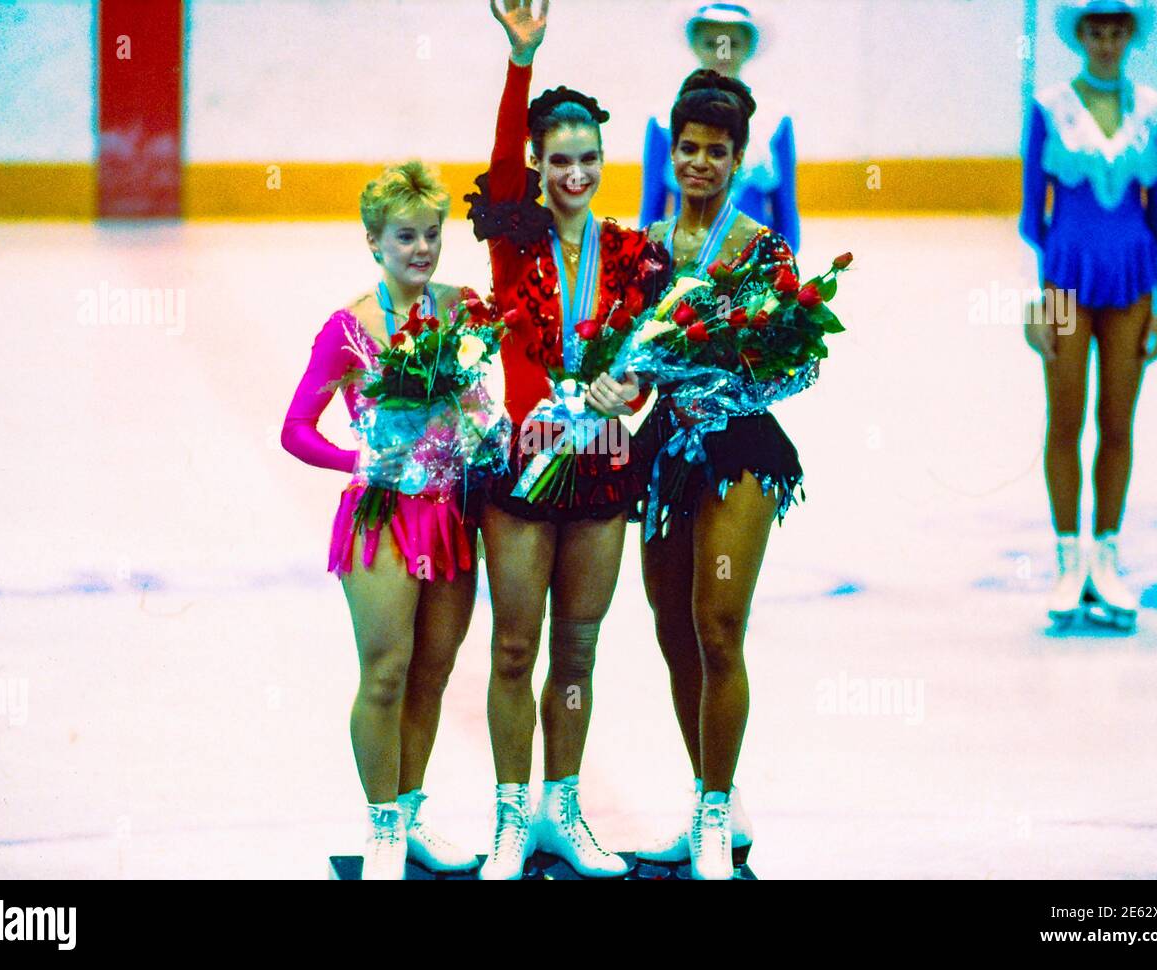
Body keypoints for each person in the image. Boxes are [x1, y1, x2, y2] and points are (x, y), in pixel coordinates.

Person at [464, 0, 668, 880]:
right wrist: (523, 61)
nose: (574, 173)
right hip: (522, 464)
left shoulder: (632, 254)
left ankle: (563, 807)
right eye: (559, 160)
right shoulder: (514, 242)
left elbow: (650, 355)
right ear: (541, 167)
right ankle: (511, 814)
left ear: (601, 161)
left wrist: (635, 385)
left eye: (588, 158)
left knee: (578, 647)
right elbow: (499, 162)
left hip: (600, 467)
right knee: (516, 645)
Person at [626, 69, 808, 879]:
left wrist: (729, 369)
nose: (700, 162)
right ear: (673, 152)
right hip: (664, 450)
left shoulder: (761, 249)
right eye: (689, 149)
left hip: (739, 447)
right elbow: (627, 364)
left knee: (717, 626)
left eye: (717, 151)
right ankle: (718, 807)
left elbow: (798, 365)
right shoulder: (645, 249)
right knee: (671, 632)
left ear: (739, 159)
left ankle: (709, 816)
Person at [281, 161, 485, 879]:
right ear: (374, 242)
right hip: (380, 513)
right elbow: (296, 428)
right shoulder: (348, 327)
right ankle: (380, 827)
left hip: (452, 513)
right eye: (406, 237)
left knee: (432, 671)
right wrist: (359, 459)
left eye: (432, 234)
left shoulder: (462, 311)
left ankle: (410, 808)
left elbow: (483, 404)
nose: (422, 249)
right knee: (387, 670)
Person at [1021, 0, 1157, 630]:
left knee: (1117, 419)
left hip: (1135, 281)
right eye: (1095, 30)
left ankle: (1107, 553)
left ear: (1130, 36)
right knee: (1064, 414)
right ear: (1080, 36)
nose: (1106, 41)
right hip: (1063, 279)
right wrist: (1038, 299)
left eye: (1116, 30)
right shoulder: (1048, 108)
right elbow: (1035, 214)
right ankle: (1067, 558)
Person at [639, 2, 799, 250]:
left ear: (749, 47)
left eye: (732, 44)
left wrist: (785, 265)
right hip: (685, 260)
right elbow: (652, 205)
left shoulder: (774, 119)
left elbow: (785, 206)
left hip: (754, 259)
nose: (722, 53)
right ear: (694, 45)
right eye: (711, 44)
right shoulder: (663, 118)